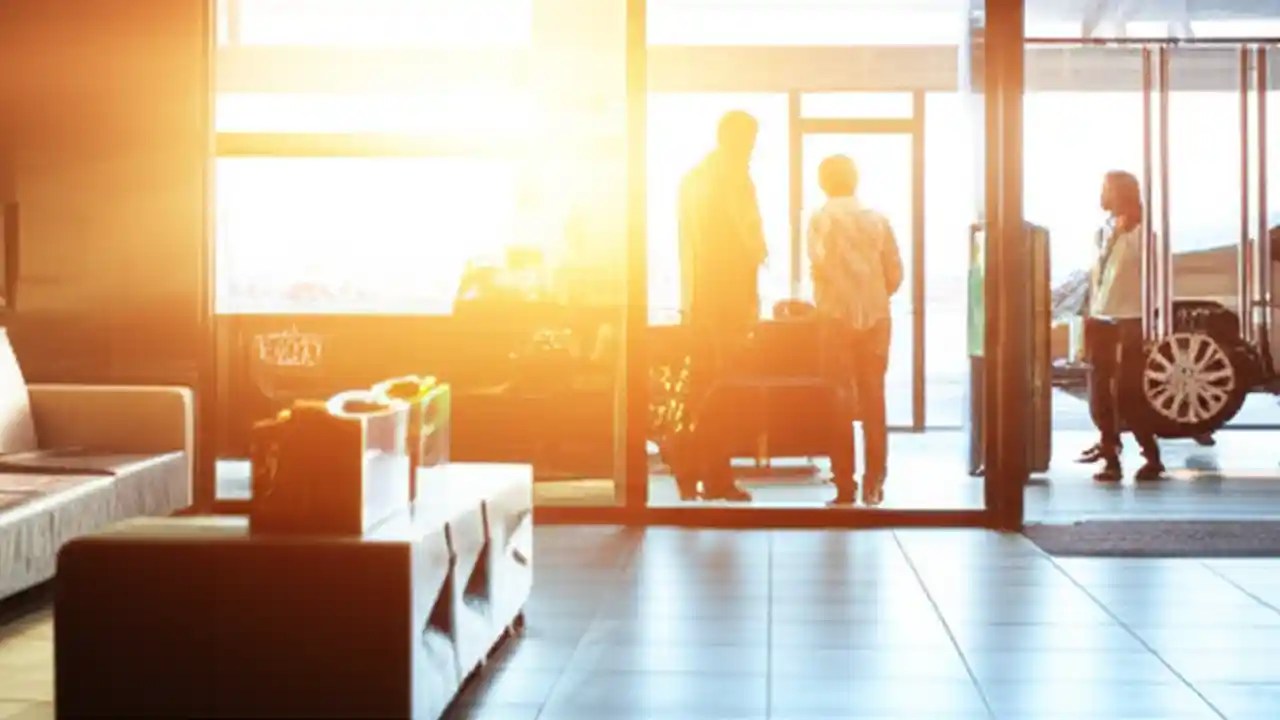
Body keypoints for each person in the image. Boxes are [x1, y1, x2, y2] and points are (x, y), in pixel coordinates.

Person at [673, 110, 768, 502]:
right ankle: (712, 475)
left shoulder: (693, 178)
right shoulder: (733, 176)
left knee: (703, 388)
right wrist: (760, 259)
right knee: (725, 390)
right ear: (739, 139)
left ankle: (694, 468)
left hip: (699, 296)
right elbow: (749, 237)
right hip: (726, 296)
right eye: (750, 142)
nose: (751, 151)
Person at [807, 154, 903, 506]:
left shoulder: (820, 220)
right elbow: (894, 272)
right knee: (874, 399)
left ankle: (844, 486)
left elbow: (817, 264)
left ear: (823, 183)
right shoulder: (877, 220)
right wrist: (872, 293)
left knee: (840, 402)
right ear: (855, 180)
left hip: (835, 320)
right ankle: (874, 484)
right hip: (877, 319)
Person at [1080, 170, 1165, 482]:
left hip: (1132, 318)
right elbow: (1098, 277)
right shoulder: (1103, 231)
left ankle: (1150, 454)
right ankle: (1110, 454)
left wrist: (1154, 322)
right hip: (1102, 317)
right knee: (1100, 391)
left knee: (1129, 392)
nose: (1103, 194)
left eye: (1108, 189)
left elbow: (1153, 278)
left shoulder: (1143, 233)